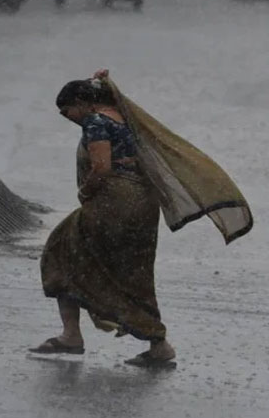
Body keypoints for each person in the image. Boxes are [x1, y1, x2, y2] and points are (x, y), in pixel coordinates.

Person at [31, 72, 177, 368]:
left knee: (60, 251)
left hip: (116, 201)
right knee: (133, 271)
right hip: (143, 203)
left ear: (82, 103)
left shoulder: (96, 122)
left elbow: (101, 168)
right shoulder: (124, 116)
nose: (66, 117)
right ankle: (158, 344)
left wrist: (85, 189)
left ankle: (71, 335)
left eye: (66, 110)